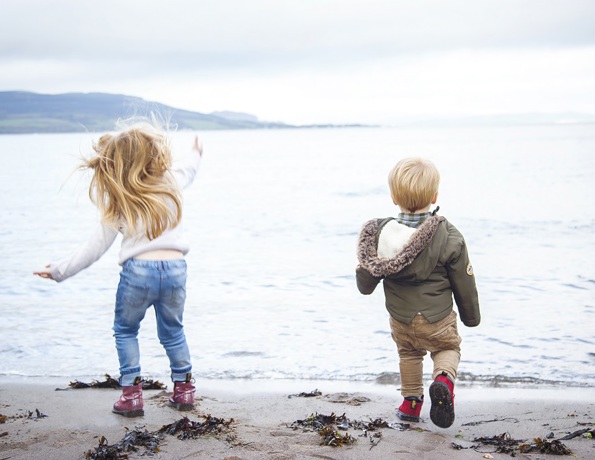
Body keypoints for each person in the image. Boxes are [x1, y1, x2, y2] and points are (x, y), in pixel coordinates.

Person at [34, 119, 203, 418]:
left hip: (138, 272)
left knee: (125, 330)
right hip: (176, 268)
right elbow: (189, 168)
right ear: (154, 154)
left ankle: (132, 395)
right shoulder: (172, 180)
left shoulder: (120, 197)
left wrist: (60, 271)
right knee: (173, 332)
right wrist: (195, 152)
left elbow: (94, 248)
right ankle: (184, 389)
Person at [355, 157, 480, 428]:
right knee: (447, 348)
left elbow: (366, 278)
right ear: (435, 196)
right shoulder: (448, 234)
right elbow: (464, 279)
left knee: (409, 354)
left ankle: (410, 405)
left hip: (401, 318)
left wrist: (364, 282)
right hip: (438, 318)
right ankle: (444, 379)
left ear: (393, 197)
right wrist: (471, 317)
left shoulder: (381, 234)